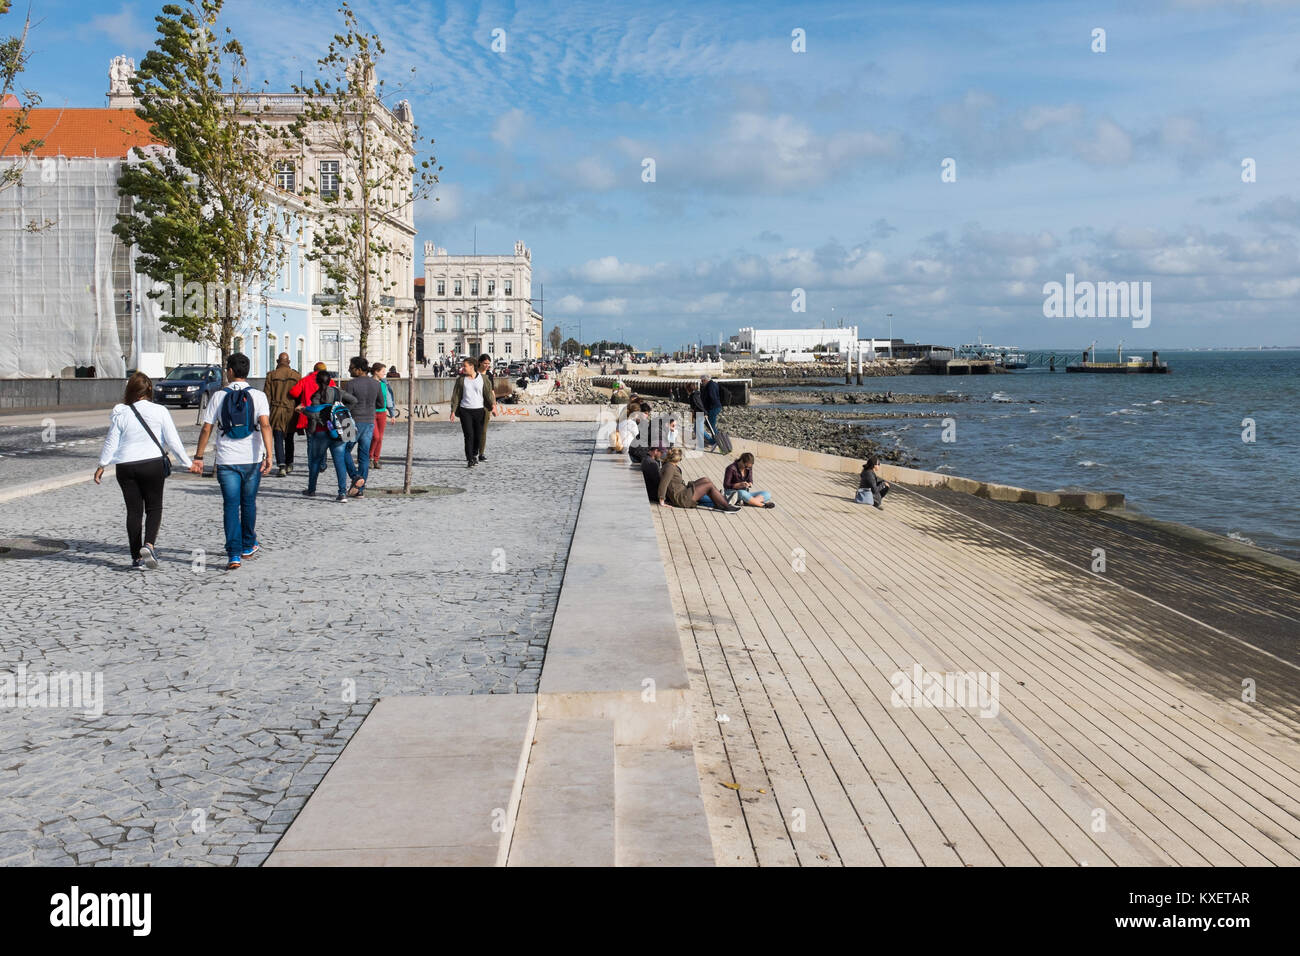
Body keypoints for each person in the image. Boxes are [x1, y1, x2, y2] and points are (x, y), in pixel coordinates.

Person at [95, 371, 194, 569]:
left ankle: (136, 557)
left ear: (130, 390)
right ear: (150, 391)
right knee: (154, 507)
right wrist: (188, 463)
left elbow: (111, 441)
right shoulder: (160, 411)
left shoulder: (121, 412)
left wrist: (102, 464)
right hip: (152, 464)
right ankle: (148, 545)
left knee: (133, 512)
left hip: (126, 466)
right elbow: (173, 441)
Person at [189, 353, 273, 570]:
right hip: (252, 459)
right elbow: (265, 425)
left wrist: (199, 457)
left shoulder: (218, 396)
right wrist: (270, 456)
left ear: (230, 371)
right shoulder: (258, 396)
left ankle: (233, 554)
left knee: (230, 505)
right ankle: (248, 545)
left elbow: (207, 428)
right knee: (248, 503)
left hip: (227, 459)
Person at [299, 368, 357, 502]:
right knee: (339, 461)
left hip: (321, 432)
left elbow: (313, 416)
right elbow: (354, 400)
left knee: (315, 461)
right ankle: (342, 493)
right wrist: (342, 412)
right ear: (330, 380)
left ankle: (311, 490)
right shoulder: (338, 392)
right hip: (338, 431)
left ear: (317, 381)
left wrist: (305, 415)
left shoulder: (316, 395)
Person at [342, 356, 381, 497]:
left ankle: (355, 477)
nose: (349, 369)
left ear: (358, 369)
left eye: (351, 367)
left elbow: (345, 403)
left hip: (351, 421)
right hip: (369, 421)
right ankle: (360, 489)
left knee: (344, 451)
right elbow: (381, 404)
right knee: (364, 456)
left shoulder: (351, 384)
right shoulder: (376, 384)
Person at [449, 355, 496, 468]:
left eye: (464, 366)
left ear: (472, 366)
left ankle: (475, 453)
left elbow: (488, 394)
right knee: (468, 435)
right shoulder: (461, 380)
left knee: (478, 435)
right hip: (465, 410)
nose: (462, 368)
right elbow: (456, 396)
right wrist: (453, 411)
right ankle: (470, 458)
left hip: (479, 410)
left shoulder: (483, 379)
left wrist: (493, 406)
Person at [657, 447, 738, 512]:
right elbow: (664, 484)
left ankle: (719, 503)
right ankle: (726, 506)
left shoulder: (669, 465)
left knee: (706, 479)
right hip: (681, 498)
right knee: (708, 486)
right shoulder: (669, 468)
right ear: (678, 459)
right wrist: (662, 501)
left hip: (683, 491)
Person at [264, 352, 300, 477]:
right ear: (288, 362)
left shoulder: (271, 375)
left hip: (275, 409)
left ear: (277, 361)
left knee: (278, 438)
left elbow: (267, 396)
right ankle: (290, 463)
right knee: (290, 438)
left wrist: (264, 413)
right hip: (291, 410)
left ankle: (281, 466)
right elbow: (299, 396)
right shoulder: (296, 375)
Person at [370, 362, 395, 470]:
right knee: (375, 436)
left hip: (382, 413)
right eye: (383, 372)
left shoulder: (384, 383)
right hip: (371, 413)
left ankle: (376, 460)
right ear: (376, 372)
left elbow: (388, 399)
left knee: (380, 438)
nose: (384, 374)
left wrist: (392, 414)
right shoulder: (369, 383)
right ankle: (370, 458)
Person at [476, 354, 495, 462]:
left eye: (488, 364)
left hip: (486, 405)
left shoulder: (489, 375)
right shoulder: (474, 373)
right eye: (485, 363)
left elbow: (492, 391)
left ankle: (481, 453)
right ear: (480, 362)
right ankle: (473, 451)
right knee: (473, 430)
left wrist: (494, 405)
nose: (487, 365)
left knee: (483, 430)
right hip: (474, 404)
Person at [700, 374, 723, 447]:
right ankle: (716, 439)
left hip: (713, 408)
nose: (701, 382)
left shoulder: (710, 386)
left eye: (702, 381)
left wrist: (707, 408)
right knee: (708, 424)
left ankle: (716, 441)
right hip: (715, 407)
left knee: (711, 425)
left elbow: (712, 397)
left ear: (705, 380)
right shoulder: (713, 384)